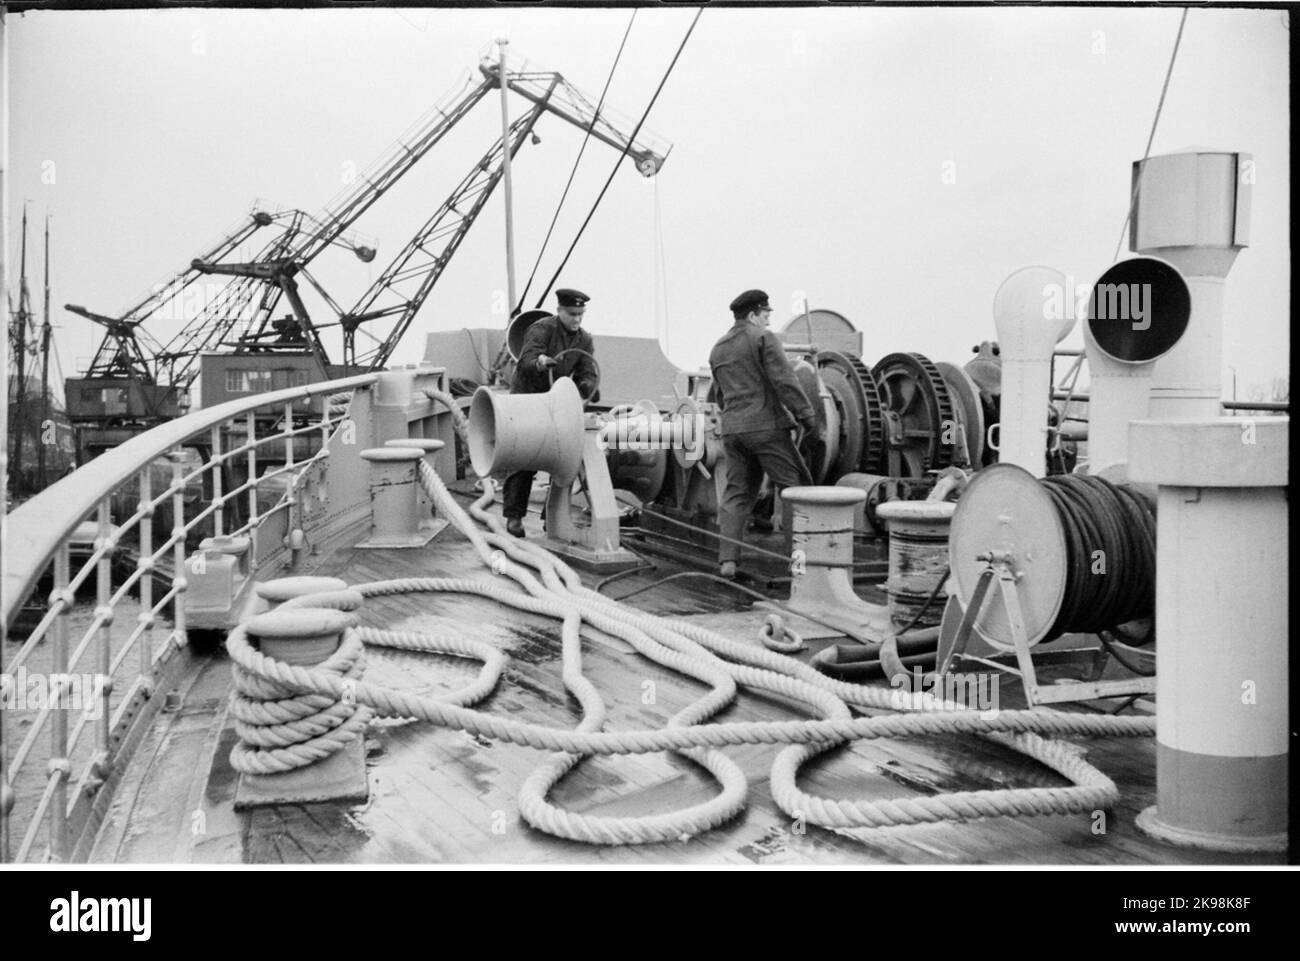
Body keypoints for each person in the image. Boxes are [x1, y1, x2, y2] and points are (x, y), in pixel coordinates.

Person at [708, 289, 816, 578]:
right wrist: (807, 416)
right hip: (766, 428)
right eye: (766, 315)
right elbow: (785, 380)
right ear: (753, 315)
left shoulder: (717, 348)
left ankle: (728, 561)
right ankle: (800, 565)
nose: (768, 321)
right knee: (796, 490)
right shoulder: (762, 339)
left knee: (737, 494)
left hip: (733, 431)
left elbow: (719, 396)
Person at [501, 287, 599, 538]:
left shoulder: (584, 339)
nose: (577, 319)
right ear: (559, 311)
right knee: (522, 458)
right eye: (572, 313)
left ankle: (552, 517)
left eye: (581, 314)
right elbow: (524, 362)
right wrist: (540, 363)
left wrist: (587, 384)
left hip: (556, 404)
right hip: (528, 401)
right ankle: (514, 517)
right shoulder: (541, 329)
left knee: (562, 459)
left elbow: (587, 370)